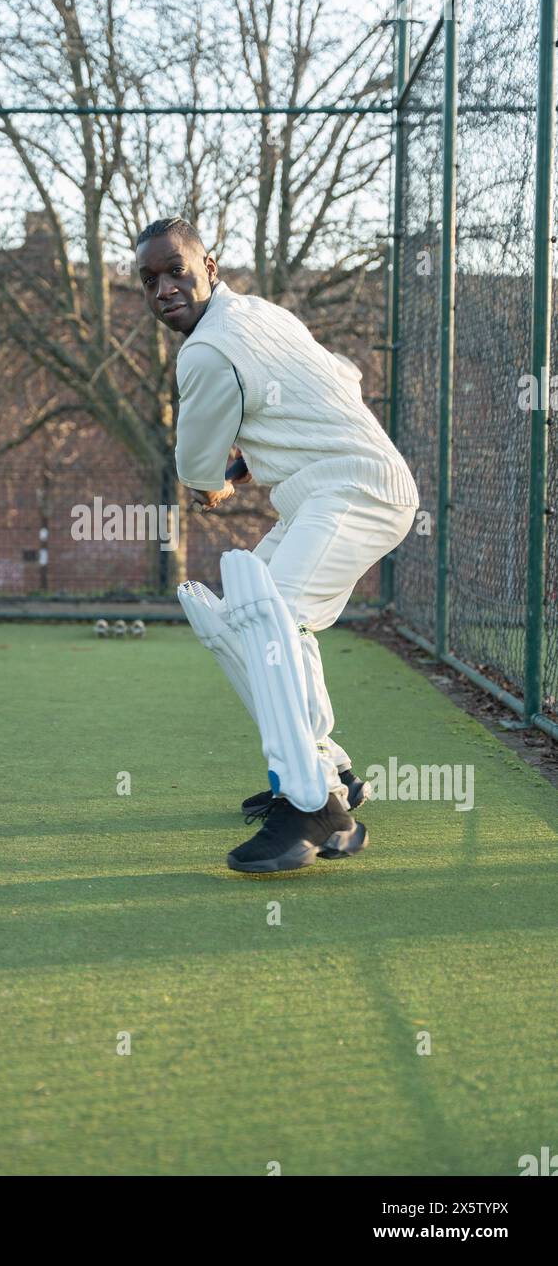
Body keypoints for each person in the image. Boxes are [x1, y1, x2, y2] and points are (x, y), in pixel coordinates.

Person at [135, 215, 419, 874]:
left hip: (355, 493)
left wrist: (214, 482)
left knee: (271, 619)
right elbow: (338, 379)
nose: (162, 289)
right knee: (246, 616)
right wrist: (254, 459)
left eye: (175, 269)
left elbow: (196, 463)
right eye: (149, 281)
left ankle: (314, 808)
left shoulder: (206, 350)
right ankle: (329, 770)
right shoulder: (262, 314)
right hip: (333, 489)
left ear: (209, 266)